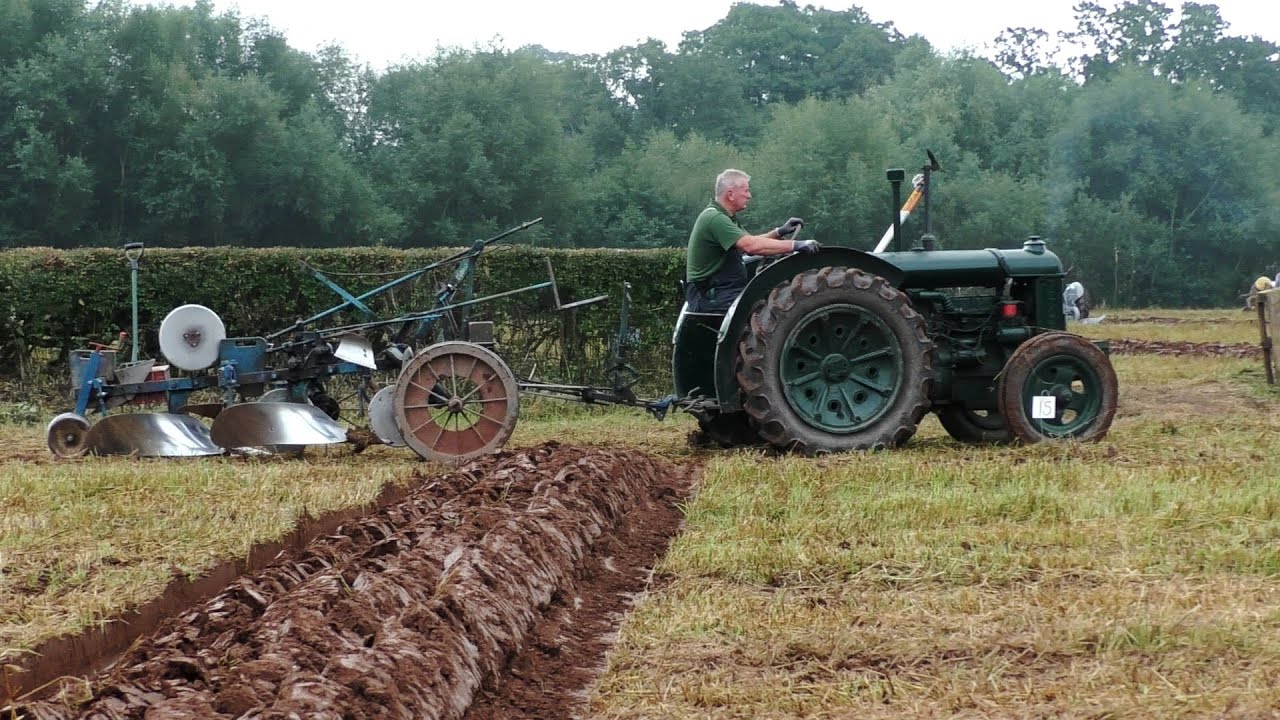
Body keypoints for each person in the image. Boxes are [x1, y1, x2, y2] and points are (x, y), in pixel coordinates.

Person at [684, 169, 820, 313]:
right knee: (767, 311)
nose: (749, 196)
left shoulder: (724, 217)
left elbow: (750, 241)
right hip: (712, 296)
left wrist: (779, 231)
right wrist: (797, 245)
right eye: (746, 191)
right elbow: (751, 246)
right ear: (730, 194)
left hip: (721, 291)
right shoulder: (715, 218)